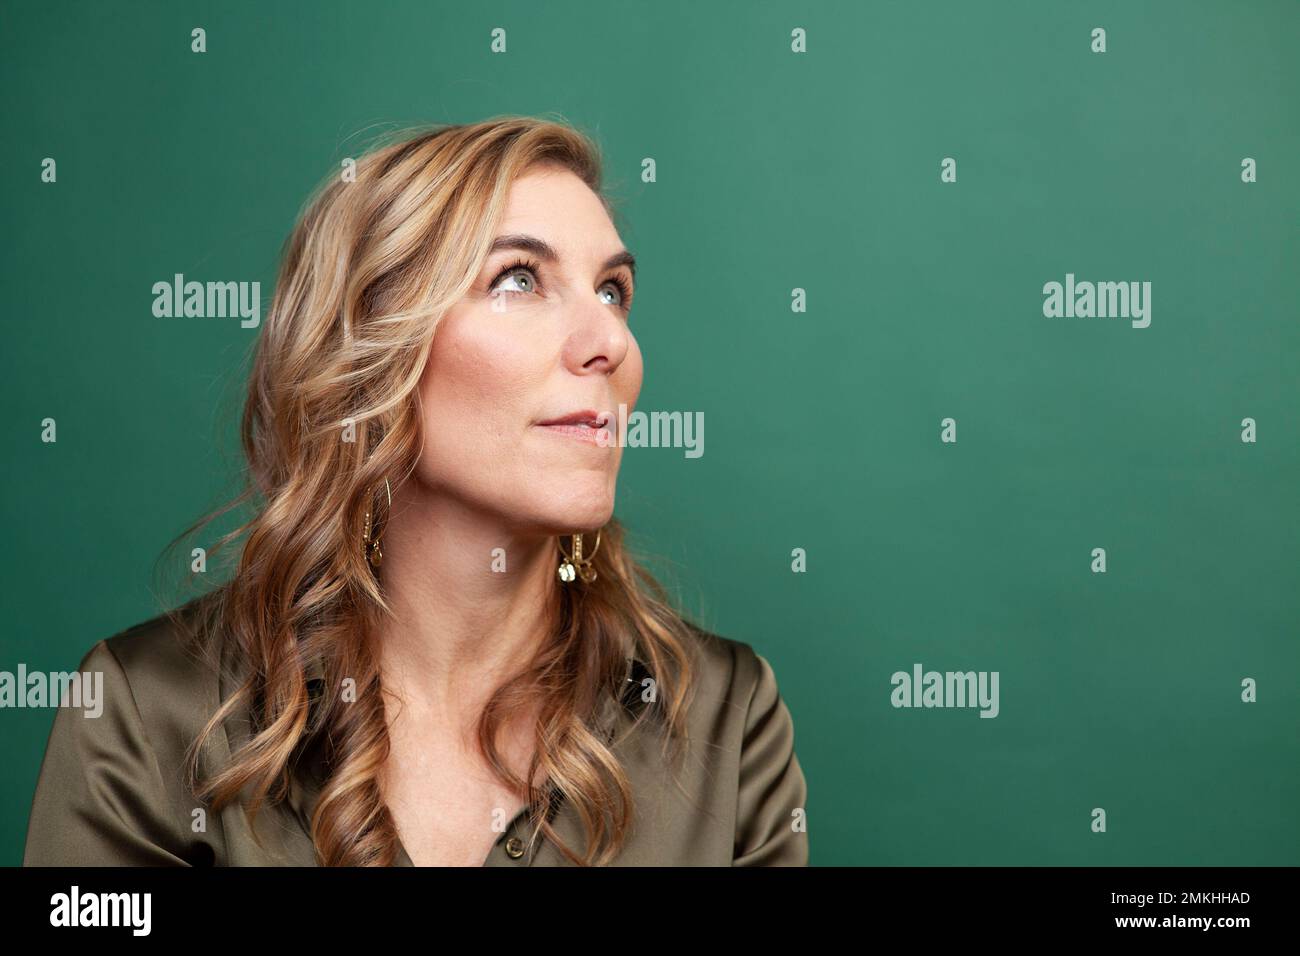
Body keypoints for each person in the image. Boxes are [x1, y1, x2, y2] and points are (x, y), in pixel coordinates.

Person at [23, 116, 808, 866]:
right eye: (520, 279)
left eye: (612, 290)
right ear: (373, 352)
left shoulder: (725, 720)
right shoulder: (149, 714)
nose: (611, 342)